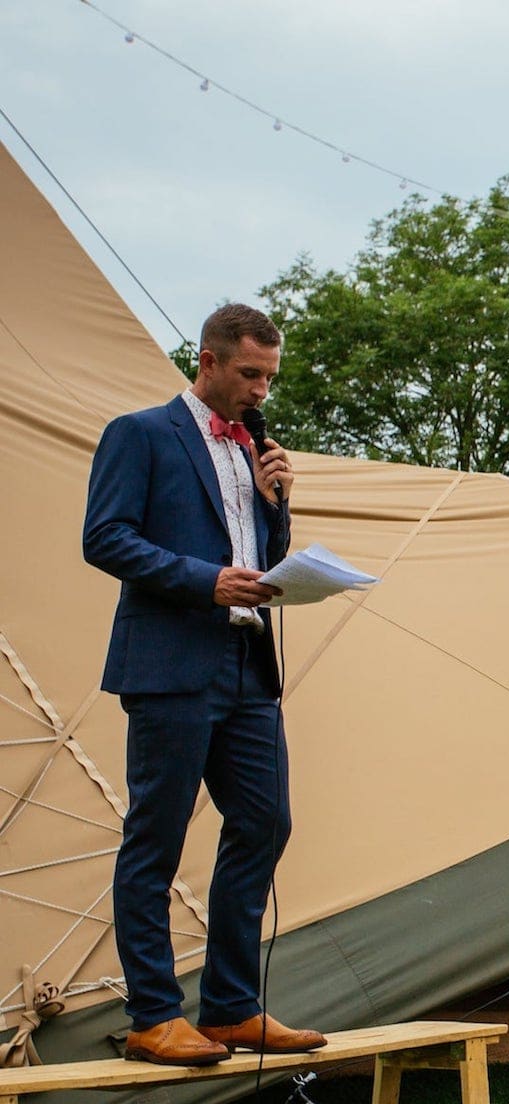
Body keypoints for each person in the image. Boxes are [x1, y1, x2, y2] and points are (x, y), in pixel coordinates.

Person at [82, 303, 326, 1065]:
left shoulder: (256, 449)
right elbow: (105, 537)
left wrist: (278, 505)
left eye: (269, 377)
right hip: (171, 665)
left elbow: (258, 552)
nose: (261, 389)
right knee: (154, 839)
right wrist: (204, 580)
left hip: (248, 664)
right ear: (209, 361)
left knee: (265, 823)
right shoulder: (142, 434)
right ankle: (154, 1015)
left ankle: (228, 1007)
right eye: (250, 374)